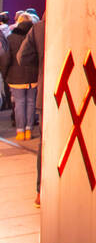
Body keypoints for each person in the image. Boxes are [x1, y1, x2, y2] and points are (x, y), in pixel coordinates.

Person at [16, 15, 46, 205]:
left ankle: (40, 192)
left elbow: (22, 57)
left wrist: (42, 67)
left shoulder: (39, 29)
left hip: (47, 93)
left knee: (45, 146)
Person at [5, 12, 39, 141]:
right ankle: (29, 130)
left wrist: (6, 73)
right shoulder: (35, 36)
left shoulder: (11, 38)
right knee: (31, 103)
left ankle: (20, 131)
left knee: (19, 103)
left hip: (16, 77)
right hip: (33, 76)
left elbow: (6, 58)